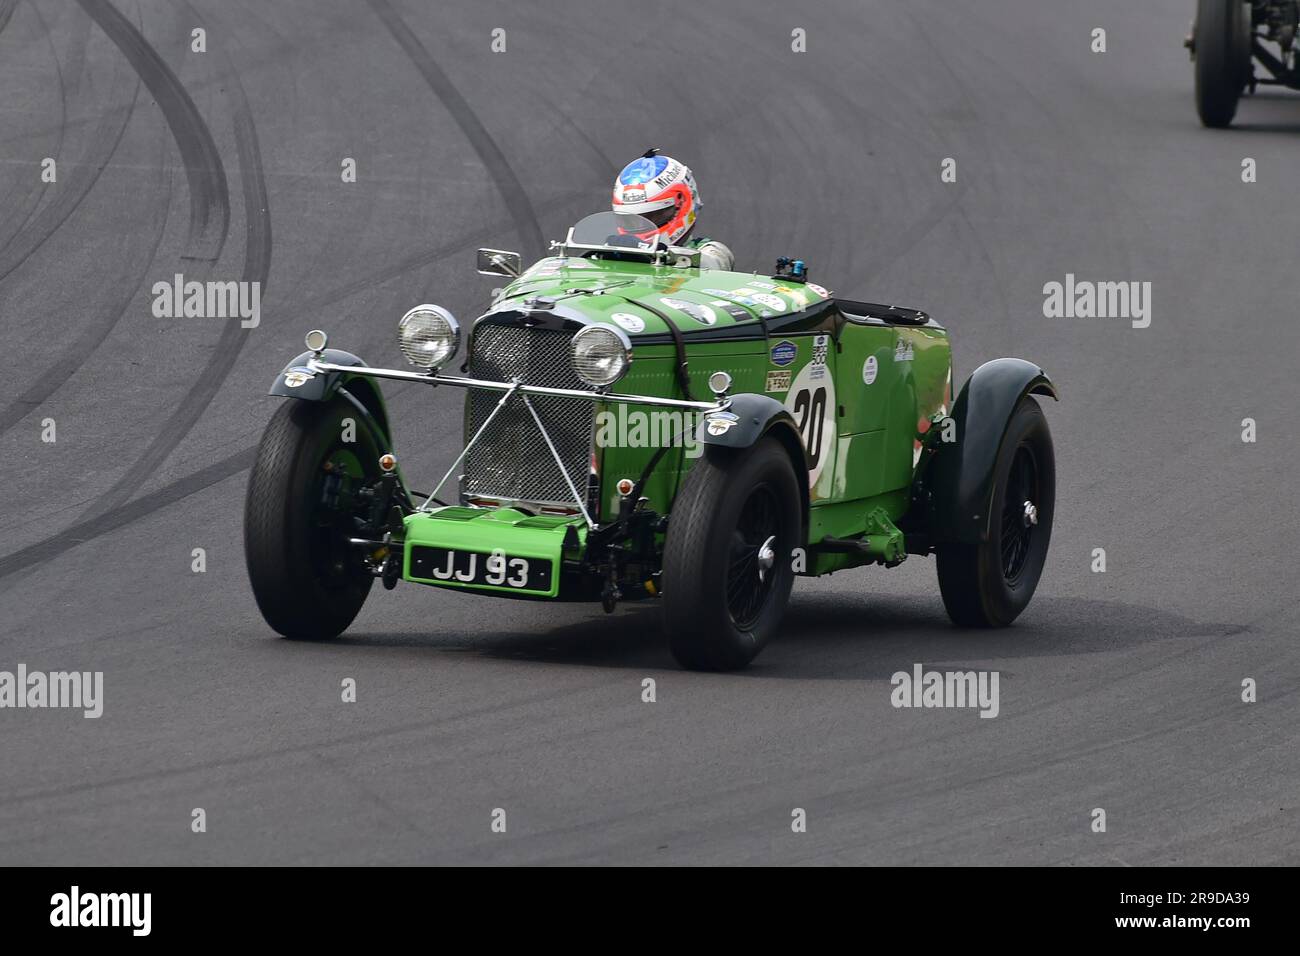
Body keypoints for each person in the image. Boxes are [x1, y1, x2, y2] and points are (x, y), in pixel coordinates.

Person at [610, 149, 735, 271]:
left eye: (652, 216)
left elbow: (714, 265)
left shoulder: (713, 251)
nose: (641, 226)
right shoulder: (616, 253)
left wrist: (655, 251)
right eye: (630, 220)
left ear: (681, 203)